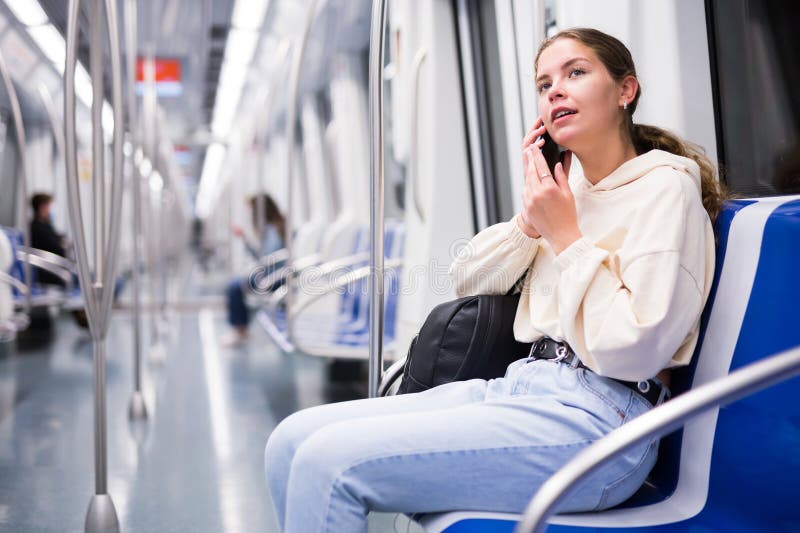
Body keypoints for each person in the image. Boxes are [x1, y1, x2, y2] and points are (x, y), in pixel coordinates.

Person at [263, 27, 724, 532]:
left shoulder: (665, 190)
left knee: (330, 463)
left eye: (576, 73)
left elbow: (634, 349)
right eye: (544, 84)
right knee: (289, 440)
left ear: (625, 91)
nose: (556, 92)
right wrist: (531, 222)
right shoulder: (564, 191)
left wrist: (566, 237)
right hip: (525, 387)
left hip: (605, 425)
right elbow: (468, 279)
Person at [224, 193, 286, 346]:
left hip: (274, 278)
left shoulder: (273, 230)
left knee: (234, 288)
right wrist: (245, 239)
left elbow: (268, 258)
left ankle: (241, 331)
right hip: (269, 274)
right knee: (235, 285)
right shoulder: (272, 228)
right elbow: (262, 257)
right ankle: (241, 329)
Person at [29, 193, 68, 286]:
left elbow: (57, 238)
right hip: (45, 270)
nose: (50, 209)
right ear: (43, 207)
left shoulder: (45, 225)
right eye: (49, 206)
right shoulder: (37, 227)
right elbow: (56, 248)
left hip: (52, 266)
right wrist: (62, 245)